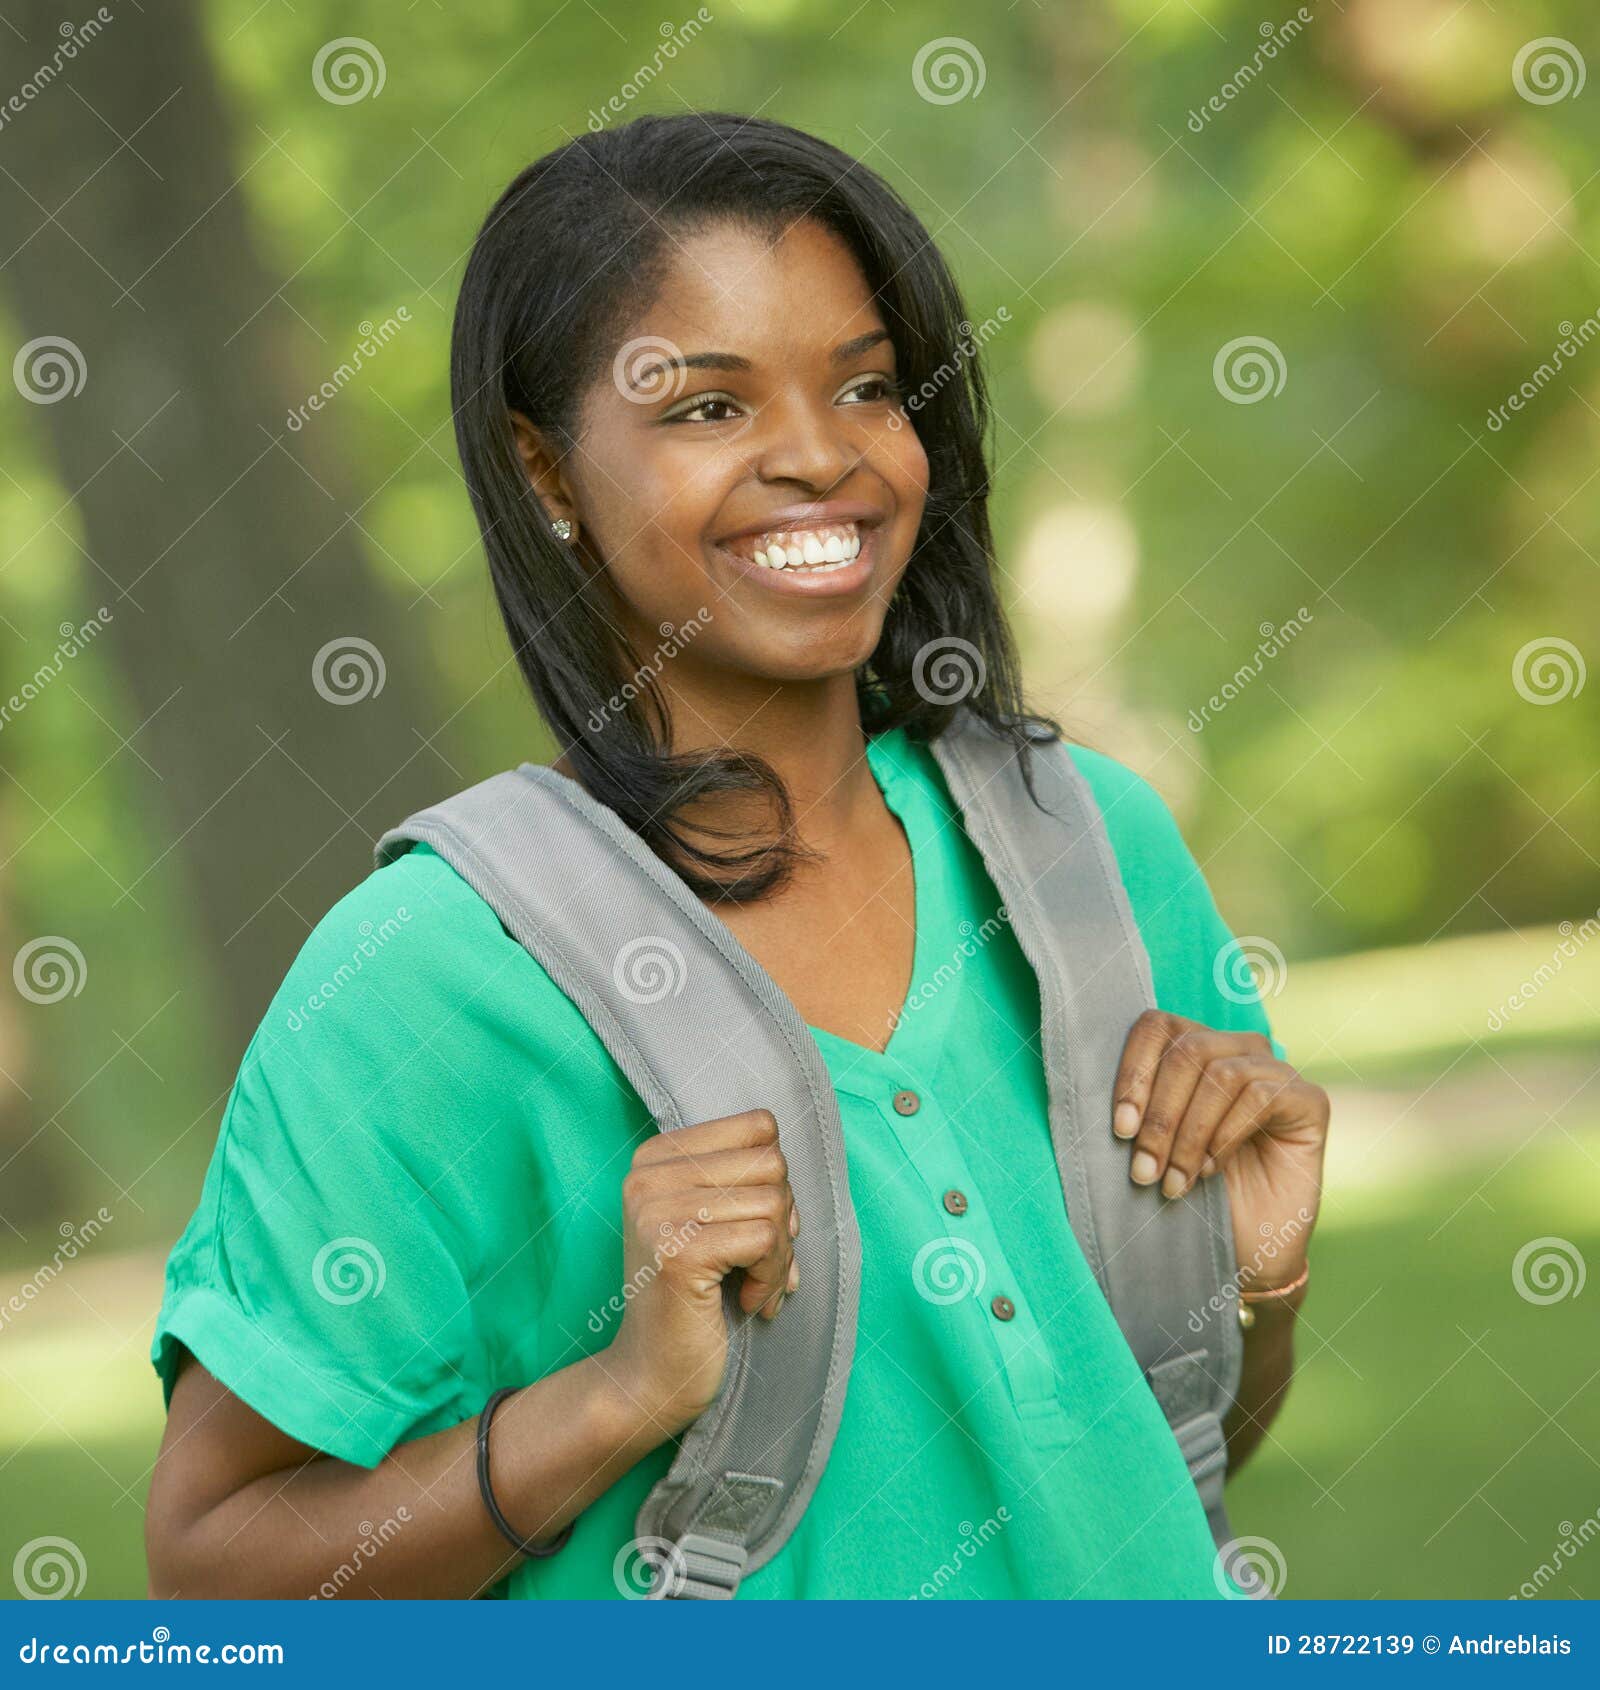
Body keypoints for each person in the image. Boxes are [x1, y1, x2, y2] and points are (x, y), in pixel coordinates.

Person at [144, 111, 1329, 1601]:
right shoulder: (428, 980)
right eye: (709, 408)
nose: (821, 457)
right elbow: (209, 1567)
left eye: (867, 386)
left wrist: (1253, 1281)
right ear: (546, 472)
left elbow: (1163, 1455)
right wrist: (618, 1397)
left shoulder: (1093, 846)